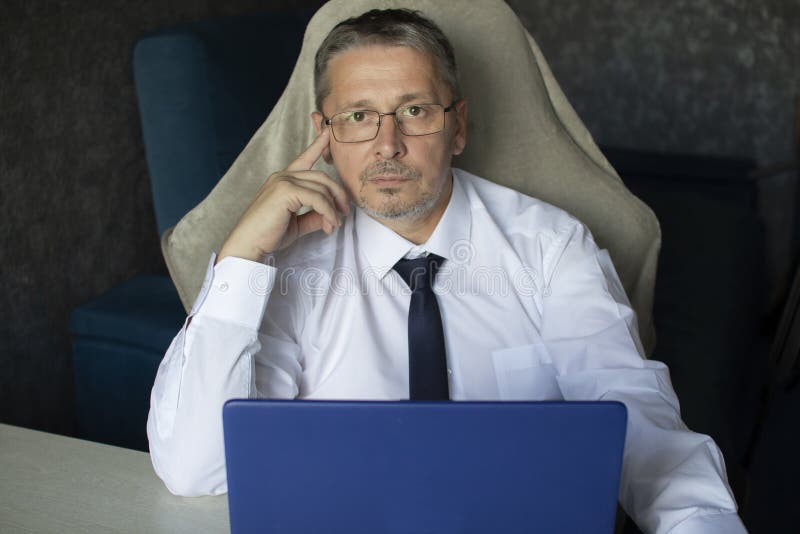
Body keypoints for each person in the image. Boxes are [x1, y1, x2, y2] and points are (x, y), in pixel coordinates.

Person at [147, 8, 746, 533]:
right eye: (358, 116)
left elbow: (642, 427)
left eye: (414, 110)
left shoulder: (549, 247)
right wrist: (240, 260)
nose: (387, 144)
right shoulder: (283, 266)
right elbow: (197, 468)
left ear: (458, 126)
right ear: (324, 136)